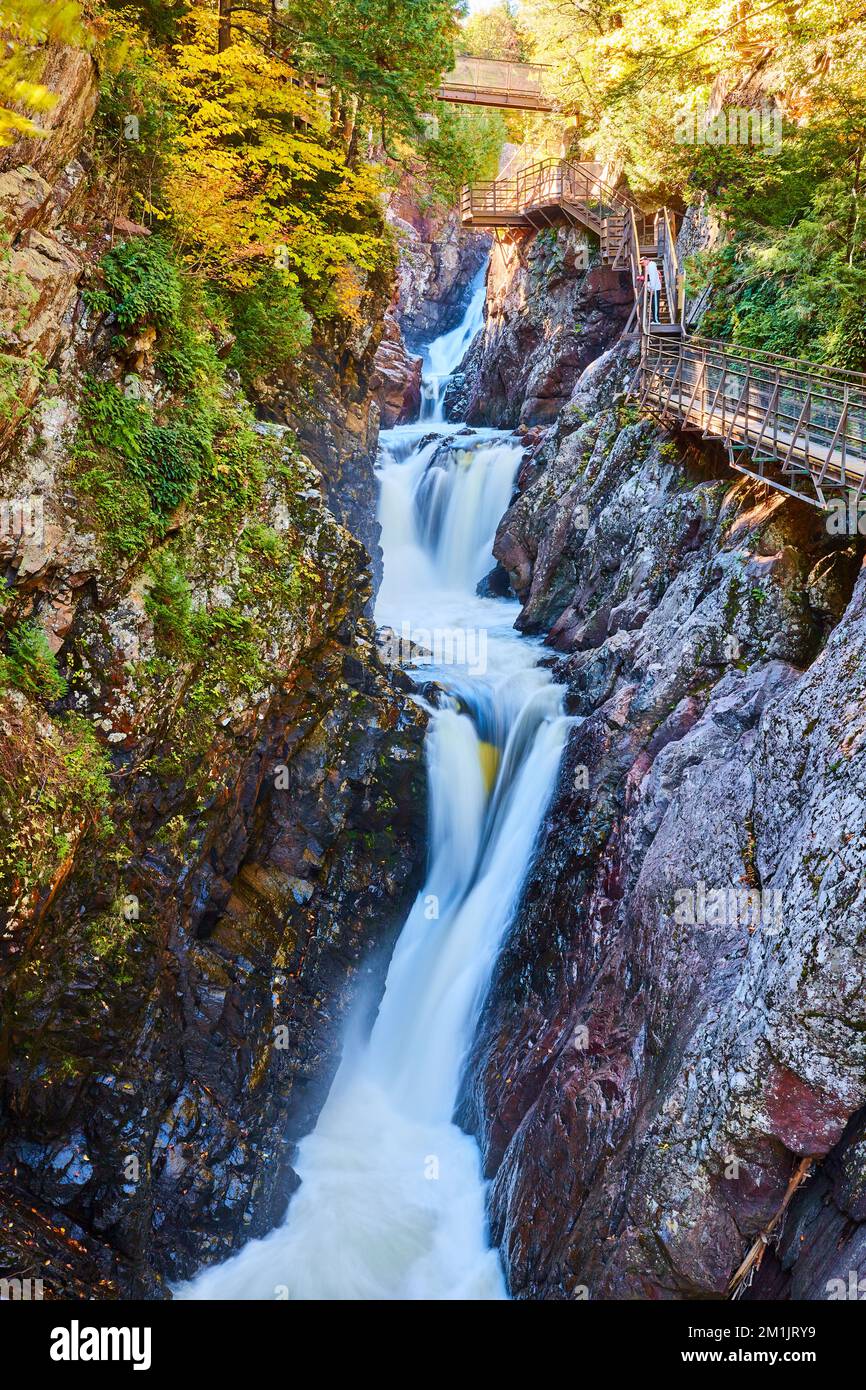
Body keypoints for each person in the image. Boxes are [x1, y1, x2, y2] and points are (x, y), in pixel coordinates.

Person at [646, 258, 662, 323]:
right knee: (653, 305)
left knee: (655, 304)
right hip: (653, 289)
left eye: (642, 262)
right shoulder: (649, 267)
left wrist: (651, 288)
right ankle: (654, 320)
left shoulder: (651, 266)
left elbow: (653, 279)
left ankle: (656, 320)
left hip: (655, 289)